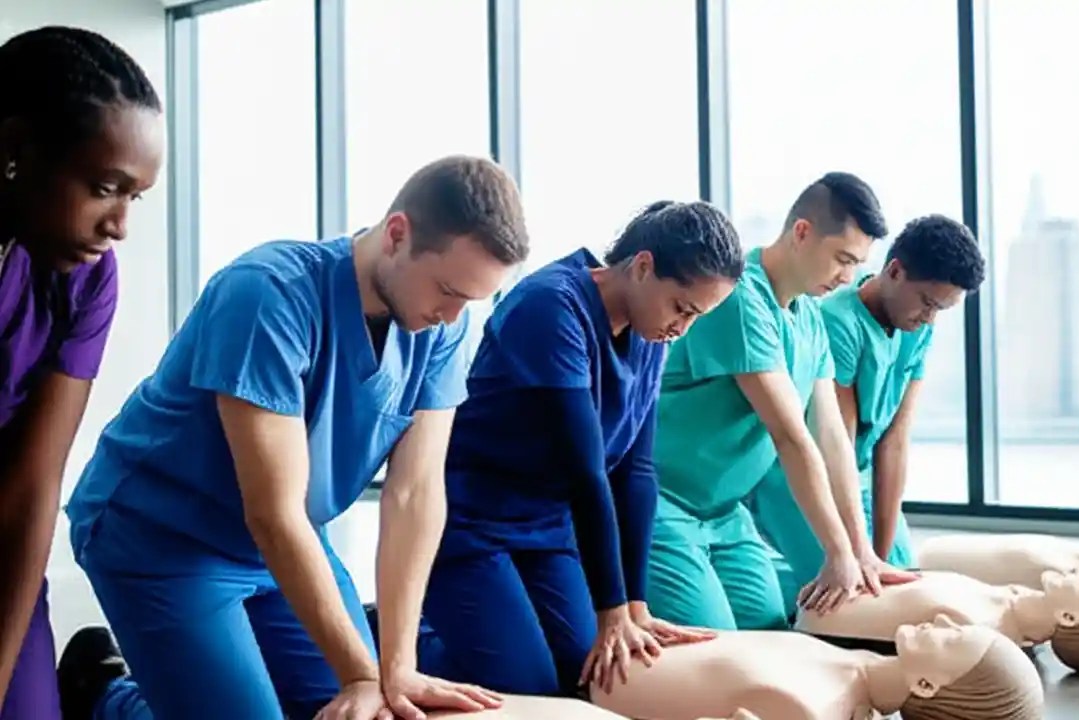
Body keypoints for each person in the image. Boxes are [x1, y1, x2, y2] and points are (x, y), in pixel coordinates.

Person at [57, 155, 527, 720]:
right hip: (164, 537)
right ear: (397, 234)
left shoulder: (442, 327)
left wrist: (393, 668)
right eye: (449, 290)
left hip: (292, 537)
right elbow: (272, 513)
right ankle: (102, 693)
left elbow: (415, 493)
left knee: (368, 710)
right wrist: (360, 672)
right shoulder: (268, 294)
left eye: (469, 302)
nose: (453, 316)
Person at [411, 201, 742, 698]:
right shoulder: (550, 307)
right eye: (682, 308)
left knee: (587, 673)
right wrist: (609, 613)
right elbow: (586, 472)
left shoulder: (651, 333)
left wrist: (633, 605)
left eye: (696, 316)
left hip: (547, 528)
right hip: (469, 524)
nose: (682, 328)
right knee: (527, 684)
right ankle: (400, 643)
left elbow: (635, 470)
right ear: (644, 266)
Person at [644, 172, 917, 633]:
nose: (848, 277)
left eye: (856, 264)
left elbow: (832, 438)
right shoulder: (740, 298)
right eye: (842, 259)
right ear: (802, 233)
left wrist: (860, 549)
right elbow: (791, 437)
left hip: (725, 516)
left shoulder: (809, 315)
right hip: (664, 507)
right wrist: (835, 552)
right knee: (721, 645)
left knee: (771, 628)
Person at [0, 26, 164, 720]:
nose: (119, 225)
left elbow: (33, 486)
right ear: (15, 151)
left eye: (136, 197)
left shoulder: (86, 279)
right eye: (104, 188)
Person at [751, 214, 984, 598]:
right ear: (894, 271)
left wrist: (879, 554)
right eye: (927, 302)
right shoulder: (837, 321)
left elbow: (894, 441)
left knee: (901, 581)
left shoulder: (920, 328)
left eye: (941, 309)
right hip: (805, 477)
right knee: (846, 591)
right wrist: (858, 553)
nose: (929, 317)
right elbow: (835, 445)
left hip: (859, 478)